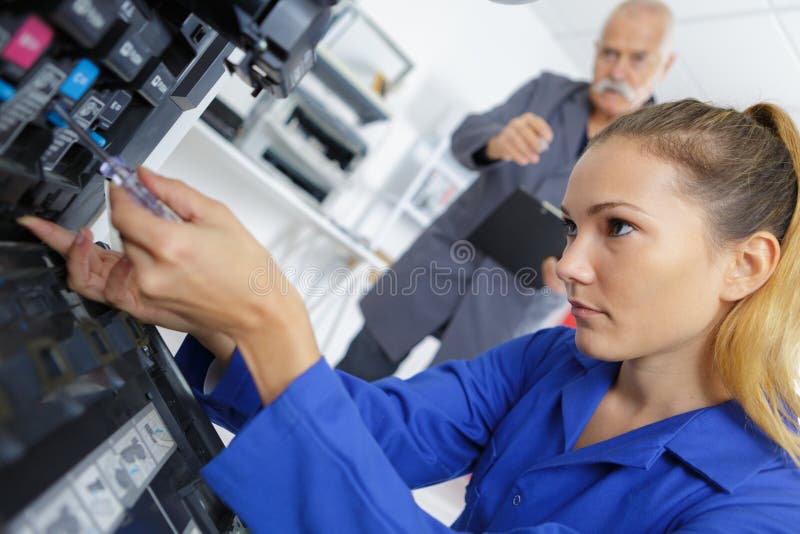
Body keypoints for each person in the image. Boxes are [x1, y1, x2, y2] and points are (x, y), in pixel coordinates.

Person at [19, 97, 800, 532]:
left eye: (618, 228)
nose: (567, 264)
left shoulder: (761, 508)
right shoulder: (554, 364)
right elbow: (375, 432)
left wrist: (271, 320)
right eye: (571, 226)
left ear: (746, 264)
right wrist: (207, 312)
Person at [337, 0, 677, 380]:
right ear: (596, 49)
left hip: (512, 302)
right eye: (610, 53)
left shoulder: (657, 158)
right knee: (350, 378)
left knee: (437, 413)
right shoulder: (547, 92)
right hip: (440, 266)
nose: (617, 70)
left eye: (637, 59)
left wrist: (582, 280)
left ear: (665, 65)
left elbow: (631, 254)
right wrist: (494, 142)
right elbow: (464, 136)